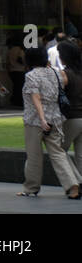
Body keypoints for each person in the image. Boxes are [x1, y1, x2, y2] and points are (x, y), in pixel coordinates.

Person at [17, 46, 81, 199]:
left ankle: (31, 188)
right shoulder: (55, 73)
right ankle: (73, 185)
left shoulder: (31, 76)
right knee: (58, 153)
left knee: (34, 156)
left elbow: (35, 98)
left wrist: (42, 118)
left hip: (35, 120)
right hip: (56, 119)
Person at [57, 40, 82, 177]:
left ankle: (77, 180)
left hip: (72, 116)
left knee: (58, 150)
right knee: (80, 154)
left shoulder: (65, 74)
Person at [8, 36, 27, 108]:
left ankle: (14, 100)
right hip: (20, 70)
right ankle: (19, 101)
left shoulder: (10, 50)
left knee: (15, 86)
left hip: (12, 70)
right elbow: (21, 60)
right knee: (20, 87)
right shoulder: (20, 50)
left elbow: (8, 62)